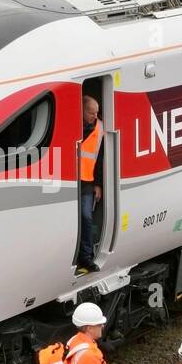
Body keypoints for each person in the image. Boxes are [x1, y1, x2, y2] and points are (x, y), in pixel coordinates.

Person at [77, 95, 103, 274]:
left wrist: (98, 184)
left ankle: (86, 257)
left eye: (96, 112)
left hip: (87, 182)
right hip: (68, 181)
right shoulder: (71, 123)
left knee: (86, 217)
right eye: (90, 112)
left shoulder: (99, 128)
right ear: (81, 110)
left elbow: (101, 159)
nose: (95, 116)